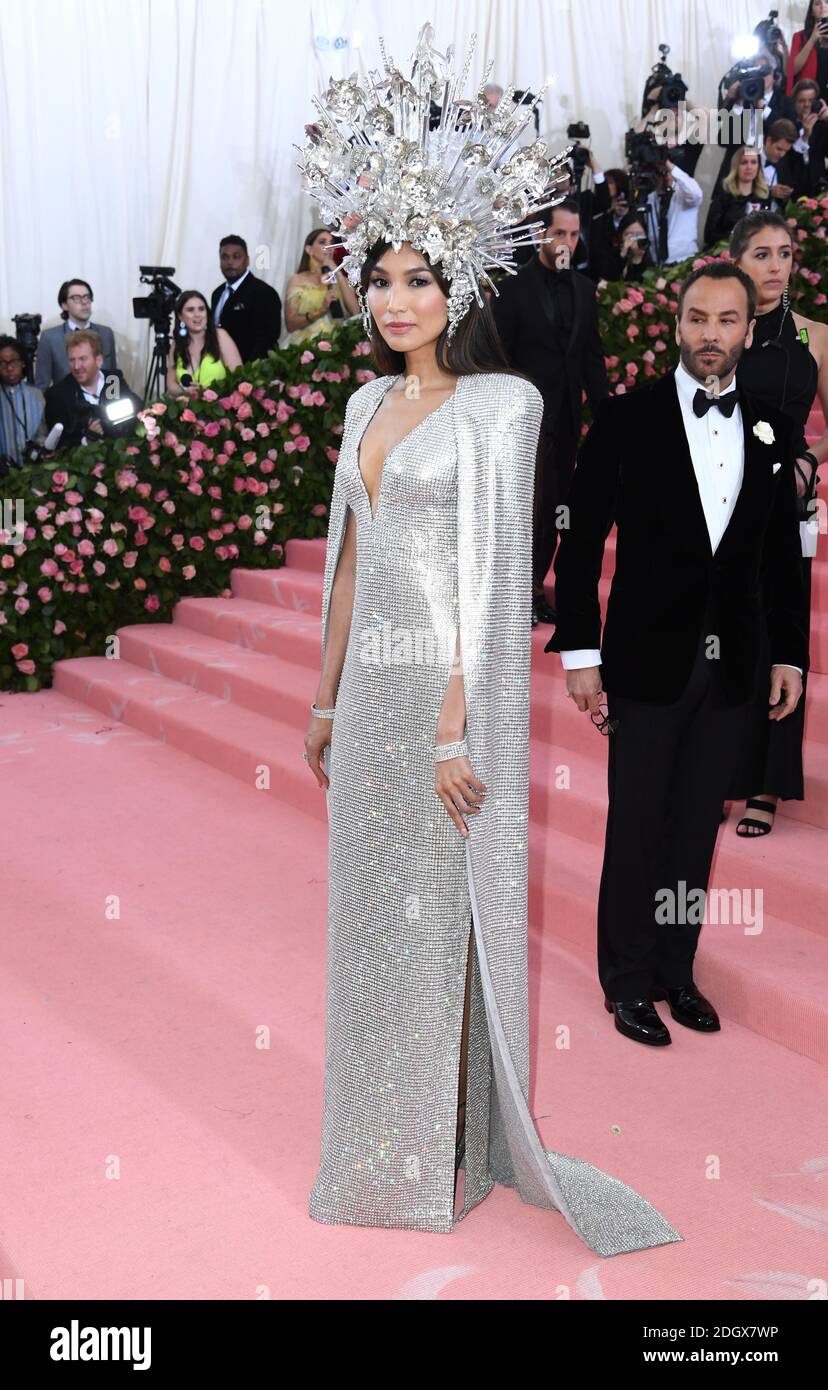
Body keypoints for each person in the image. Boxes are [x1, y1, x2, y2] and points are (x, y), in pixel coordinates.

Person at [300, 23, 681, 1259]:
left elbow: (493, 571)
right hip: (365, 708)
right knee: (371, 927)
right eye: (382, 278)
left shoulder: (500, 407)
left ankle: (450, 1151)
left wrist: (460, 717)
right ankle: (379, 1149)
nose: (397, 299)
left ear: (459, 289)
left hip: (444, 706)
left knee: (442, 918)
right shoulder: (361, 402)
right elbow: (350, 561)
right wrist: (319, 701)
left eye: (420, 279)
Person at [544, 262, 808, 1045]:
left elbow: (778, 561)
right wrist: (581, 653)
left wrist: (788, 657)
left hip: (734, 671)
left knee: (697, 828)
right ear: (679, 322)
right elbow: (582, 540)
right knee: (638, 824)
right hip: (644, 660)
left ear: (748, 330)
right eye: (698, 318)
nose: (711, 335)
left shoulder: (771, 426)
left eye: (727, 321)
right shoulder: (626, 419)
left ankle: (674, 969)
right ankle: (625, 981)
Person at [726, 211, 828, 834]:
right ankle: (718, 771)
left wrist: (807, 463)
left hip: (786, 508)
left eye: (784, 254)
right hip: (721, 503)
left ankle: (766, 782)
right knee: (718, 634)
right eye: (760, 253)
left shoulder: (816, 336)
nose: (774, 266)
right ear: (737, 259)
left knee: (777, 634)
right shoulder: (722, 329)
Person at [491, 197, 609, 626]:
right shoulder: (512, 289)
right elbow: (496, 360)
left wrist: (606, 417)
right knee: (525, 510)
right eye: (560, 233)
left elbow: (592, 358)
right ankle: (516, 592)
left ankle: (535, 589)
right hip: (522, 426)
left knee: (557, 507)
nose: (567, 243)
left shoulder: (583, 289)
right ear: (541, 234)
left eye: (575, 235)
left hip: (567, 423)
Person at [44, 329, 142, 450]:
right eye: (72, 360)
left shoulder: (113, 380)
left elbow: (136, 413)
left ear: (98, 360)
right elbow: (59, 446)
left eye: (82, 359)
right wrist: (87, 439)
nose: (76, 366)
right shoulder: (58, 395)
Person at [34, 279, 117, 390]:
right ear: (64, 305)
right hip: (66, 403)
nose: (84, 302)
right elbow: (42, 385)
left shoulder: (105, 333)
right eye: (77, 298)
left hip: (103, 403)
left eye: (87, 297)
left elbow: (112, 376)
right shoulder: (50, 338)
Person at [210, 235, 282, 362]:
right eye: (224, 257)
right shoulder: (217, 293)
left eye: (236, 257)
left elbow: (267, 339)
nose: (230, 262)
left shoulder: (264, 292)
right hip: (217, 369)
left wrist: (247, 373)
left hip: (249, 372)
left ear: (247, 260)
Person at [283, 227, 359, 345]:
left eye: (332, 243)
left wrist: (337, 272)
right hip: (306, 345)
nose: (329, 247)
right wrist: (320, 310)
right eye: (322, 242)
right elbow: (291, 324)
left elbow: (355, 313)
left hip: (338, 343)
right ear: (309, 249)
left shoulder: (340, 279)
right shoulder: (297, 280)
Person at [166, 290, 241, 394]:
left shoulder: (220, 336)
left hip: (219, 406)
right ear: (180, 316)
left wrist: (210, 393)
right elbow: (170, 383)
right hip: (187, 408)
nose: (197, 314)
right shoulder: (177, 342)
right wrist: (185, 392)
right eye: (190, 310)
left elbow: (239, 378)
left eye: (201, 309)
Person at [703, 147, 773, 248]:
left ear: (759, 167)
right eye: (744, 162)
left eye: (753, 162)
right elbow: (709, 236)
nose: (749, 167)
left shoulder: (764, 197)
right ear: (736, 167)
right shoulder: (723, 198)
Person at [644, 158, 704, 265]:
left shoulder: (682, 193)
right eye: (658, 173)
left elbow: (696, 194)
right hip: (658, 264)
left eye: (666, 172)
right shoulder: (650, 198)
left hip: (684, 260)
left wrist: (669, 166)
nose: (664, 176)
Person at [0, 337, 46, 470]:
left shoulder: (37, 395)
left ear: (23, 363)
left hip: (33, 473)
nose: (9, 368)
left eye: (13, 361)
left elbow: (43, 435)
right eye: (3, 363)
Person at [786, 0, 828, 101]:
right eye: (817, 3)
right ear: (812, 11)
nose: (823, 6)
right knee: (750, 115)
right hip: (807, 98)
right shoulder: (799, 37)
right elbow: (793, 69)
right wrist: (812, 39)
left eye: (827, 2)